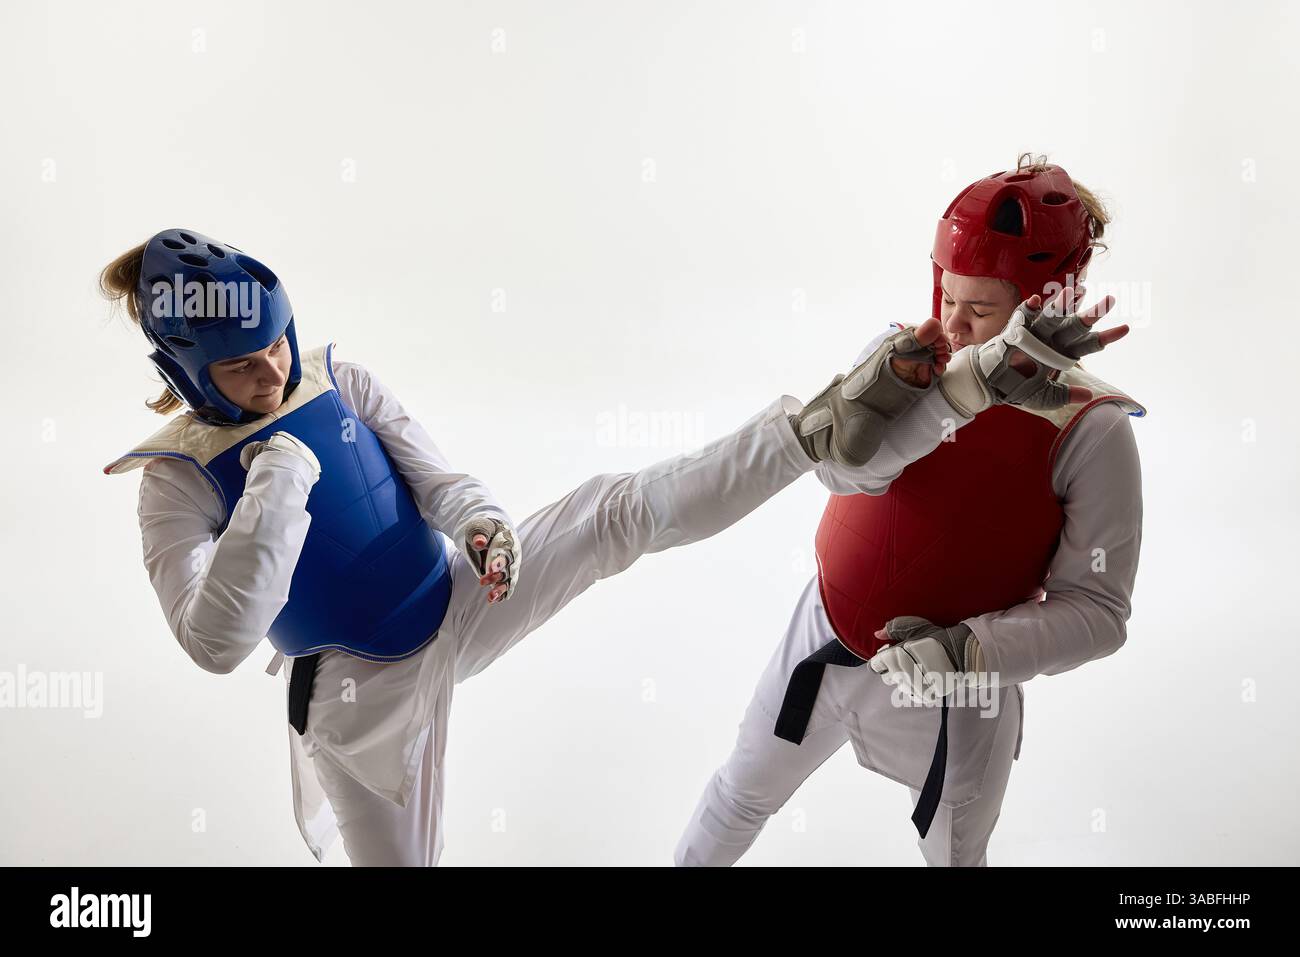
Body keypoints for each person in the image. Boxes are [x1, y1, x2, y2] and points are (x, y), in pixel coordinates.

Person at [99, 225, 1087, 865]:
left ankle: (807, 432)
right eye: (242, 365)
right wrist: (275, 472)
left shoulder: (334, 377)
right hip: (357, 695)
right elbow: (214, 642)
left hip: (452, 600)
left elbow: (440, 482)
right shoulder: (174, 481)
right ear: (186, 373)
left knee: (609, 513)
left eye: (278, 339)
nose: (273, 368)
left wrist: (483, 527)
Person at [675, 155, 1142, 867]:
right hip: (824, 634)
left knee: (955, 857)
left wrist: (972, 653)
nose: (951, 322)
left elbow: (1099, 611)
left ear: (1042, 305)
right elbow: (837, 474)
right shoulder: (904, 360)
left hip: (959, 696)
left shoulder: (1092, 428)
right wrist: (881, 409)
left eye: (980, 308)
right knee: (739, 792)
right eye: (946, 293)